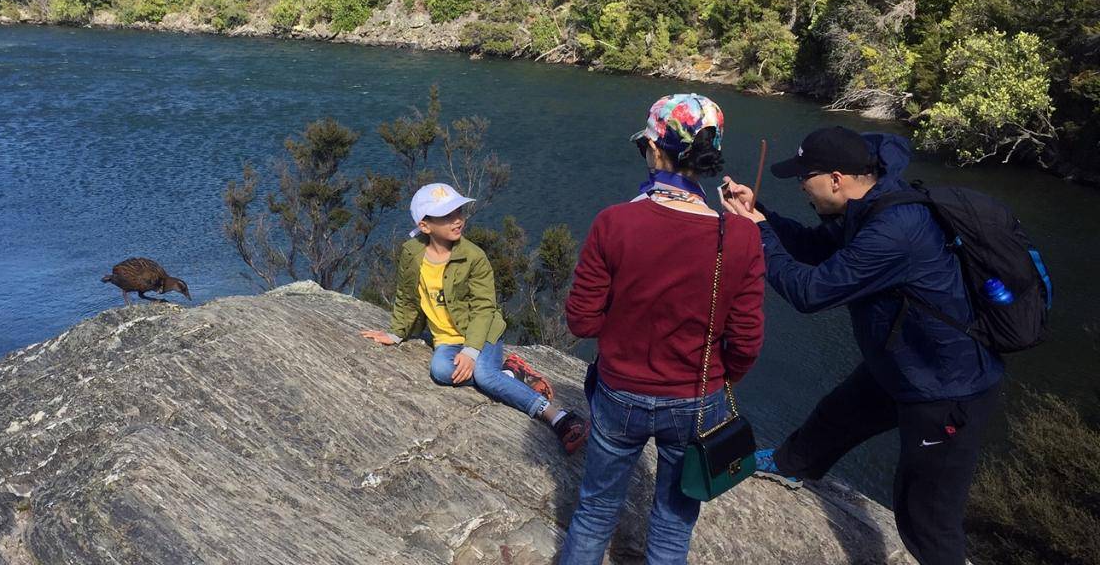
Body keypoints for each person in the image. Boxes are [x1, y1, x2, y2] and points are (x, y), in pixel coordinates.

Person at [720, 126, 1003, 565]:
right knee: (838, 415)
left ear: (836, 178)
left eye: (803, 177)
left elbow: (810, 292)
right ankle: (790, 466)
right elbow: (815, 247)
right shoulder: (868, 207)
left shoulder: (894, 229)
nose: (800, 186)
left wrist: (755, 234)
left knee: (926, 517)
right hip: (903, 361)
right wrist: (762, 216)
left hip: (947, 387)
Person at [559, 94, 766, 565]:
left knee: (594, 512)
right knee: (673, 526)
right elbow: (747, 340)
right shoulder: (740, 236)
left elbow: (582, 320)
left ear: (656, 150)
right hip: (697, 398)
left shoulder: (615, 222)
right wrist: (719, 380)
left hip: (620, 392)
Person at [360, 182, 589, 454]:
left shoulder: (473, 257)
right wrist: (397, 333)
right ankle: (512, 372)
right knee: (441, 371)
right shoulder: (412, 253)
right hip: (445, 338)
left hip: (482, 333)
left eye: (458, 211)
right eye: (446, 216)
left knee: (485, 376)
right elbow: (407, 296)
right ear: (425, 226)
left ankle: (558, 417)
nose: (457, 219)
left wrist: (470, 351)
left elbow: (484, 308)